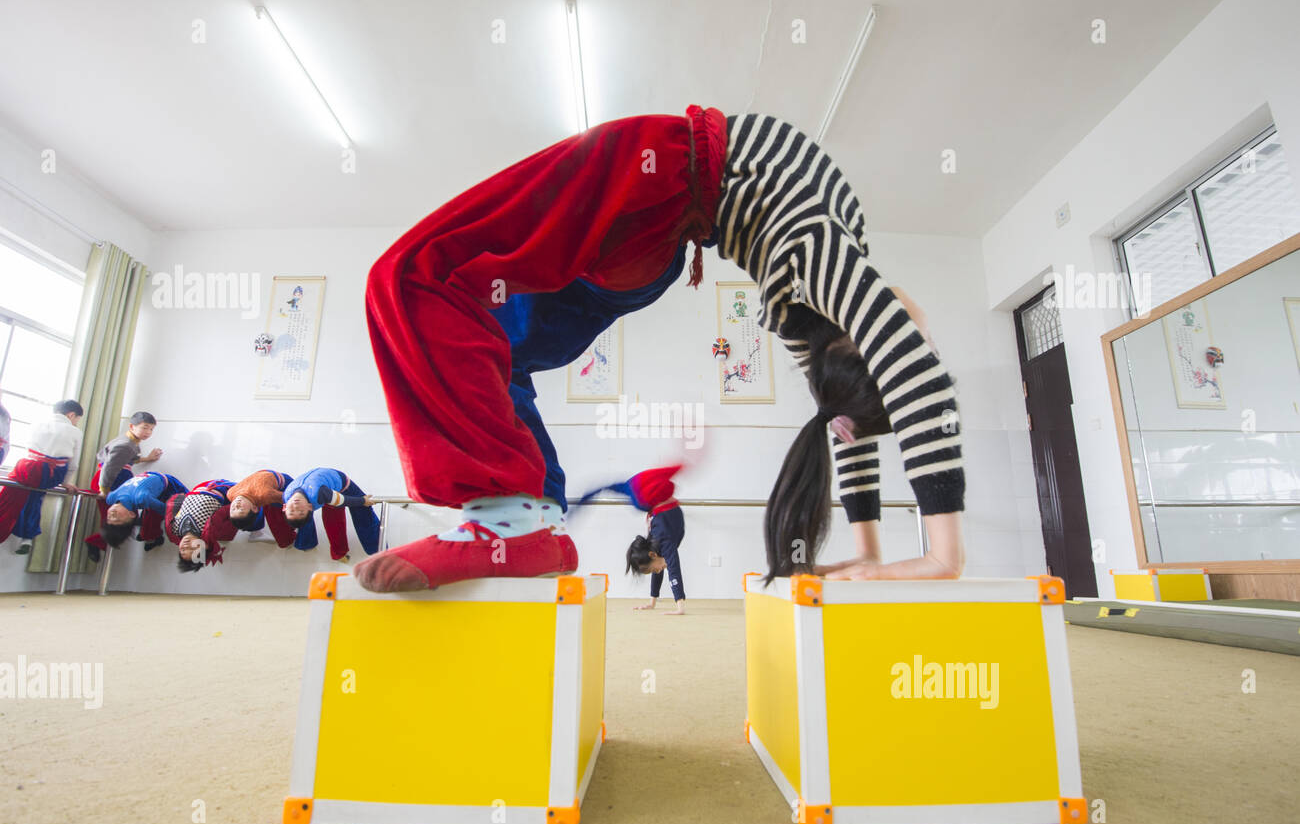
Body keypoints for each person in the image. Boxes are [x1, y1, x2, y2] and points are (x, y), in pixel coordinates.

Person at [357, 106, 964, 593]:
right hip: (654, 242)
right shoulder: (811, 312)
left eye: (915, 339)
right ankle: (529, 520)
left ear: (868, 344)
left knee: (414, 273)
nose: (920, 334)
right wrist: (867, 554)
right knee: (497, 351)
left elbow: (913, 382)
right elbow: (845, 423)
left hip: (653, 182)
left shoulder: (820, 258)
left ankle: (507, 523)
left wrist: (941, 559)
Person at [579, 465, 687, 615]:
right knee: (626, 493)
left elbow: (674, 569)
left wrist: (679, 606)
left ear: (652, 555)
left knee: (636, 498)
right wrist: (652, 602)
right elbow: (659, 570)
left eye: (654, 569)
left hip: (665, 509)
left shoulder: (663, 541)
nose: (658, 570)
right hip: (660, 511)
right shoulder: (654, 547)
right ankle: (607, 489)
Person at [0, 399, 84, 553]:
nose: (76, 423)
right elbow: (74, 464)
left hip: (25, 467)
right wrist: (65, 482)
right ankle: (28, 536)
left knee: (11, 495)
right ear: (71, 415)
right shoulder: (75, 432)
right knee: (35, 497)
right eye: (77, 420)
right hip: (49, 473)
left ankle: (12, 528)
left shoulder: (39, 423)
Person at [84, 411, 164, 561]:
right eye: (145, 428)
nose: (148, 432)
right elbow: (109, 467)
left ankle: (150, 534)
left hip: (117, 480)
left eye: (151, 429)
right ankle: (95, 542)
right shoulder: (126, 444)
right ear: (132, 426)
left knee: (128, 517)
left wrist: (147, 458)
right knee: (117, 520)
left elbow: (123, 460)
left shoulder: (129, 443)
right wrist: (104, 489)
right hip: (112, 482)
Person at [282, 468, 380, 563]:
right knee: (352, 515)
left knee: (338, 516)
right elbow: (341, 501)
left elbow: (340, 500)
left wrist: (362, 501)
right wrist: (363, 501)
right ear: (310, 507)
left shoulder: (288, 495)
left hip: (333, 484)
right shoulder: (318, 495)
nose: (296, 507)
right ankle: (376, 550)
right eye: (301, 511)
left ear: (284, 507)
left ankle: (374, 550)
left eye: (291, 511)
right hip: (333, 491)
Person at [98, 471, 187, 551]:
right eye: (117, 518)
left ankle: (145, 526)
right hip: (151, 484)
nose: (112, 514)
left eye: (108, 518)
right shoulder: (141, 498)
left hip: (169, 484)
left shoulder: (110, 498)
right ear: (131, 514)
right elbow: (166, 512)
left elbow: (167, 512)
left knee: (187, 501)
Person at [164, 479, 237, 572]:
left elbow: (171, 509)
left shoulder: (174, 531)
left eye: (183, 550)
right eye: (193, 548)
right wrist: (237, 504)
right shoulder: (207, 529)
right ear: (204, 545)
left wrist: (179, 498)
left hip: (196, 490)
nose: (186, 545)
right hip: (220, 490)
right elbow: (223, 513)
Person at [227, 469, 297, 548]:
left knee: (273, 514)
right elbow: (292, 500)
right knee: (272, 514)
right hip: (266, 482)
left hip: (283, 483)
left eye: (233, 509)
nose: (236, 505)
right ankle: (285, 539)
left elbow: (291, 499)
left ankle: (286, 539)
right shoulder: (231, 493)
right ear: (254, 508)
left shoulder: (231, 493)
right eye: (240, 509)